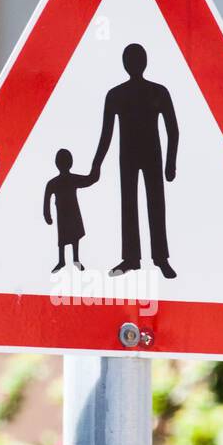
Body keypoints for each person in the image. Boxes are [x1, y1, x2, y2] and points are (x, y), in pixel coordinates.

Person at [89, 43, 178, 278]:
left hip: (152, 155)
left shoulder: (158, 92)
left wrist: (171, 162)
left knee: (155, 203)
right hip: (128, 156)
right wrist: (96, 164)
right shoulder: (116, 95)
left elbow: (173, 130)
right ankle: (131, 258)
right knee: (129, 204)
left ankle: (160, 258)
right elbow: (106, 134)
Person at [43, 148, 95, 272]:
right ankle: (62, 261)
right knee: (63, 237)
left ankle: (75, 259)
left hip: (72, 212)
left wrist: (95, 171)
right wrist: (47, 215)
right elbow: (47, 200)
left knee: (74, 236)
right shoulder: (53, 183)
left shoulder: (64, 180)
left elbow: (89, 180)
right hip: (63, 214)